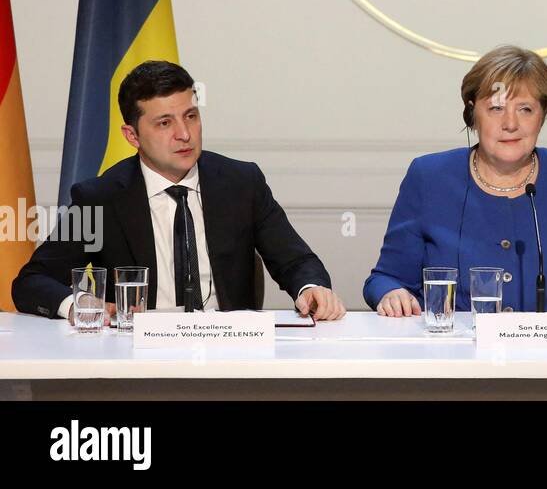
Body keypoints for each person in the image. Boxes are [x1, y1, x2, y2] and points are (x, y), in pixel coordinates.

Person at [13, 60, 344, 321]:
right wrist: (79, 302)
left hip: (228, 356)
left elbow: (295, 260)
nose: (185, 134)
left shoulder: (241, 183)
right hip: (136, 360)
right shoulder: (100, 199)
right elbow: (31, 282)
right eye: (164, 123)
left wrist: (311, 288)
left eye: (191, 116)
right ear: (132, 136)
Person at [364, 45, 547, 315]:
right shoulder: (430, 177)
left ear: (542, 116)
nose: (510, 124)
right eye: (496, 108)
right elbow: (385, 278)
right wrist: (391, 293)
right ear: (472, 113)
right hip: (459, 357)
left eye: (525, 109)